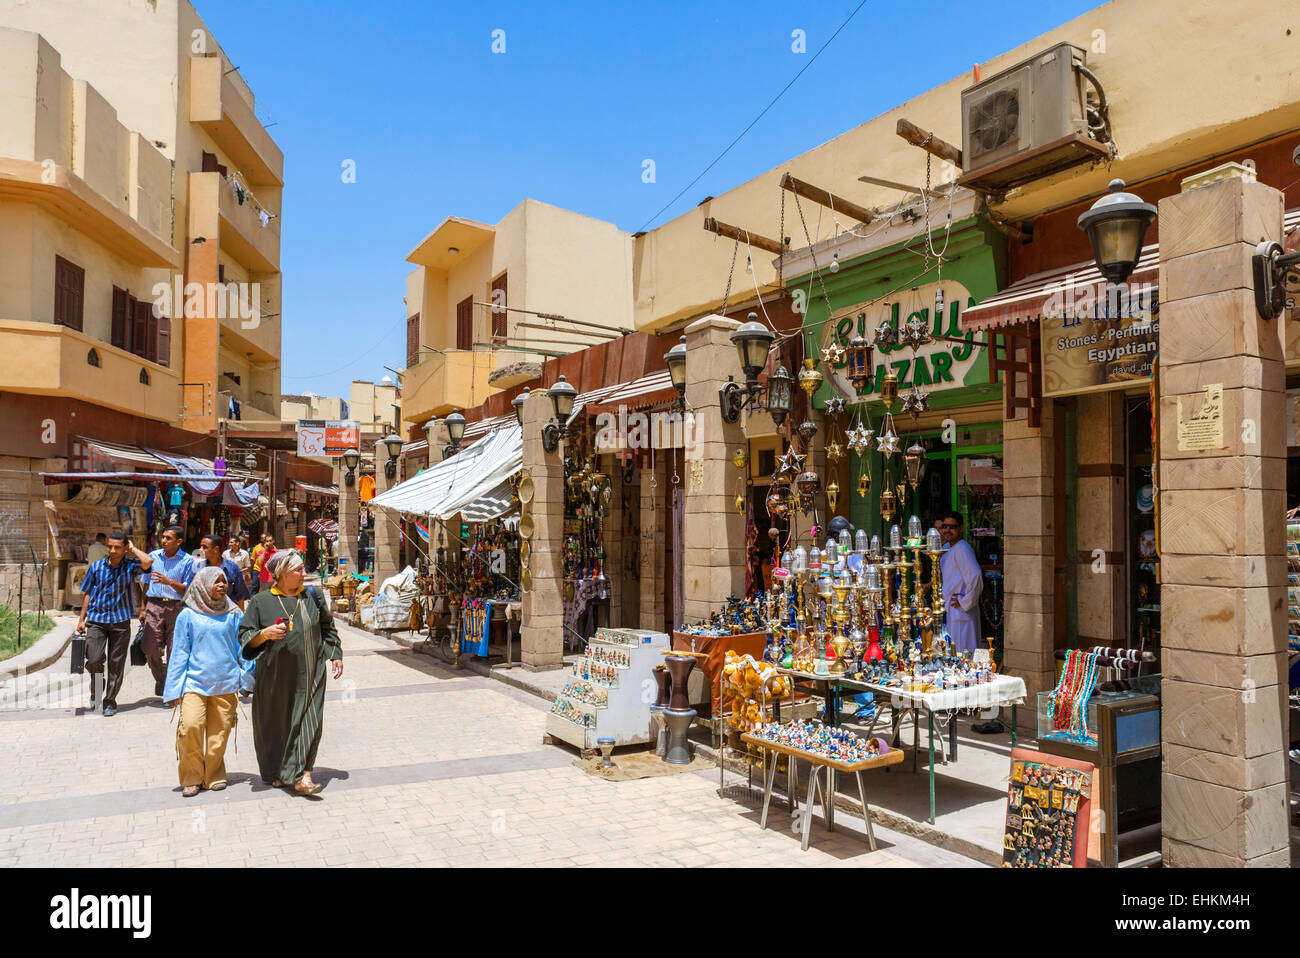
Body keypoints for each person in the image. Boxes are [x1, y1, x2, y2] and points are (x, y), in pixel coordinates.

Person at [238, 550, 343, 796]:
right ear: (282, 573)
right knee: (276, 723)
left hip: (311, 673)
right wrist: (263, 635)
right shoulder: (260, 602)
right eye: (298, 570)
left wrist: (335, 653)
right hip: (274, 677)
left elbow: (328, 627)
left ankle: (303, 776)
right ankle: (278, 771)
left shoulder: (313, 597)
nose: (304, 574)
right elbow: (244, 636)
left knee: (310, 721)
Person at [163, 567, 244, 797]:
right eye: (216, 581)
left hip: (226, 682)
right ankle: (191, 777)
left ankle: (214, 775)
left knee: (219, 734)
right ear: (202, 584)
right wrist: (172, 690)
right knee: (190, 726)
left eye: (224, 581)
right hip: (194, 684)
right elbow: (179, 653)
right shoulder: (187, 616)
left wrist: (247, 678)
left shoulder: (234, 614)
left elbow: (243, 649)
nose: (222, 585)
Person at [76, 533, 156, 716]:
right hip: (96, 621)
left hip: (120, 622)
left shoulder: (131, 567)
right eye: (110, 547)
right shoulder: (96, 567)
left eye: (117, 547)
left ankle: (110, 701)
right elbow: (87, 593)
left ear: (125, 548)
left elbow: (148, 562)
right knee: (94, 660)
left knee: (116, 664)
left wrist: (133, 548)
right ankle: (96, 690)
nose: (112, 550)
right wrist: (81, 619)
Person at [140, 526, 198, 699]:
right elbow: (146, 583)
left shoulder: (188, 561)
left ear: (178, 542)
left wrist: (169, 582)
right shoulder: (153, 557)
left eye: (168, 538)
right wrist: (143, 608)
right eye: (163, 537)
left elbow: (188, 589)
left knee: (175, 650)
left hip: (177, 607)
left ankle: (170, 690)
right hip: (154, 606)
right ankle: (162, 678)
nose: (164, 541)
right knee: (151, 649)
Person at [938, 510, 983, 654]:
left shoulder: (962, 548)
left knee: (963, 650)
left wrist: (965, 601)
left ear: (961, 528)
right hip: (949, 609)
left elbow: (975, 576)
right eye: (945, 526)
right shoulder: (946, 548)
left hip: (961, 610)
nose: (948, 530)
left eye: (952, 527)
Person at [198, 534, 252, 611]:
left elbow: (240, 596)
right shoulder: (198, 568)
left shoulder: (232, 568)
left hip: (226, 614)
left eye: (204, 547)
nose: (200, 550)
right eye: (200, 546)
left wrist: (240, 619)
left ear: (216, 549)